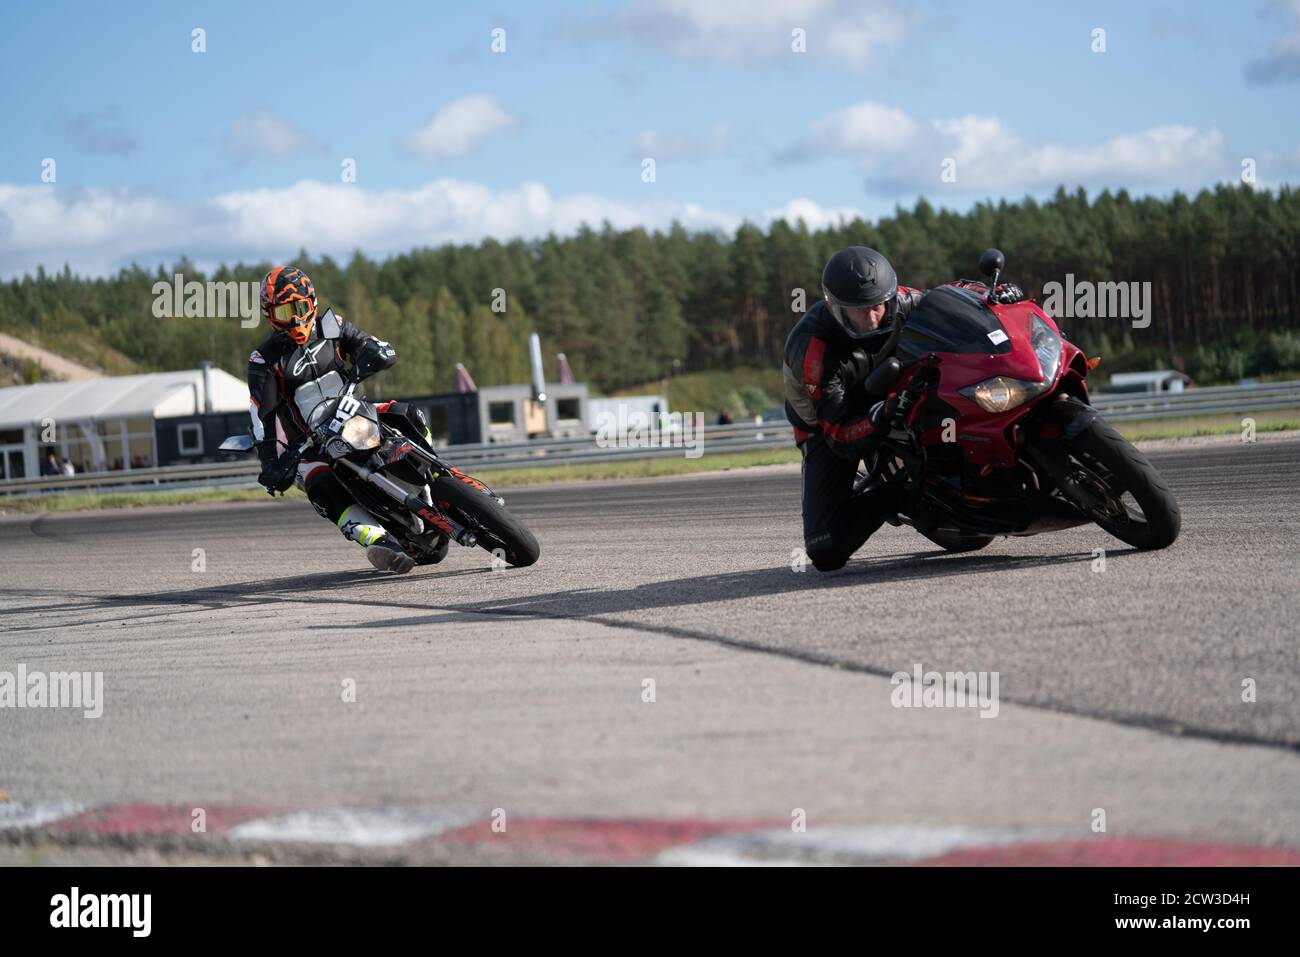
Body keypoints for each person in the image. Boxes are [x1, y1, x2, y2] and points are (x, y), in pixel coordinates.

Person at [783, 246, 1024, 571]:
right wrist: (881, 415)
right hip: (829, 418)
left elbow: (949, 296)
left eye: (878, 305)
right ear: (836, 307)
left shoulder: (897, 300)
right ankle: (898, 493)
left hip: (892, 380)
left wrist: (993, 294)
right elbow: (840, 434)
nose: (872, 318)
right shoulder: (813, 350)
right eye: (859, 310)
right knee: (825, 548)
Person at [247, 265, 445, 574]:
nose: (296, 318)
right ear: (271, 315)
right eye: (286, 312)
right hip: (312, 441)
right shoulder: (264, 360)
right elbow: (263, 417)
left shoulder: (333, 325)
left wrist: (376, 353)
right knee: (316, 479)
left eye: (300, 308)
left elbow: (370, 343)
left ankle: (438, 480)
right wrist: (271, 464)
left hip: (355, 411)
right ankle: (375, 539)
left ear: (312, 302)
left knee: (406, 413)